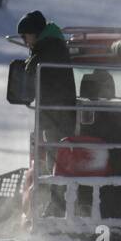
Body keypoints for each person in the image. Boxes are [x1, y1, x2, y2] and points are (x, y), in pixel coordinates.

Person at [17, 10, 77, 168]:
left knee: (56, 157)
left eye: (25, 36)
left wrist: (34, 60)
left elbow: (49, 56)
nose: (24, 42)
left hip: (58, 113)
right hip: (53, 112)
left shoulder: (52, 45)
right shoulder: (49, 44)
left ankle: (56, 190)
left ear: (35, 32)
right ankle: (55, 186)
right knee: (54, 155)